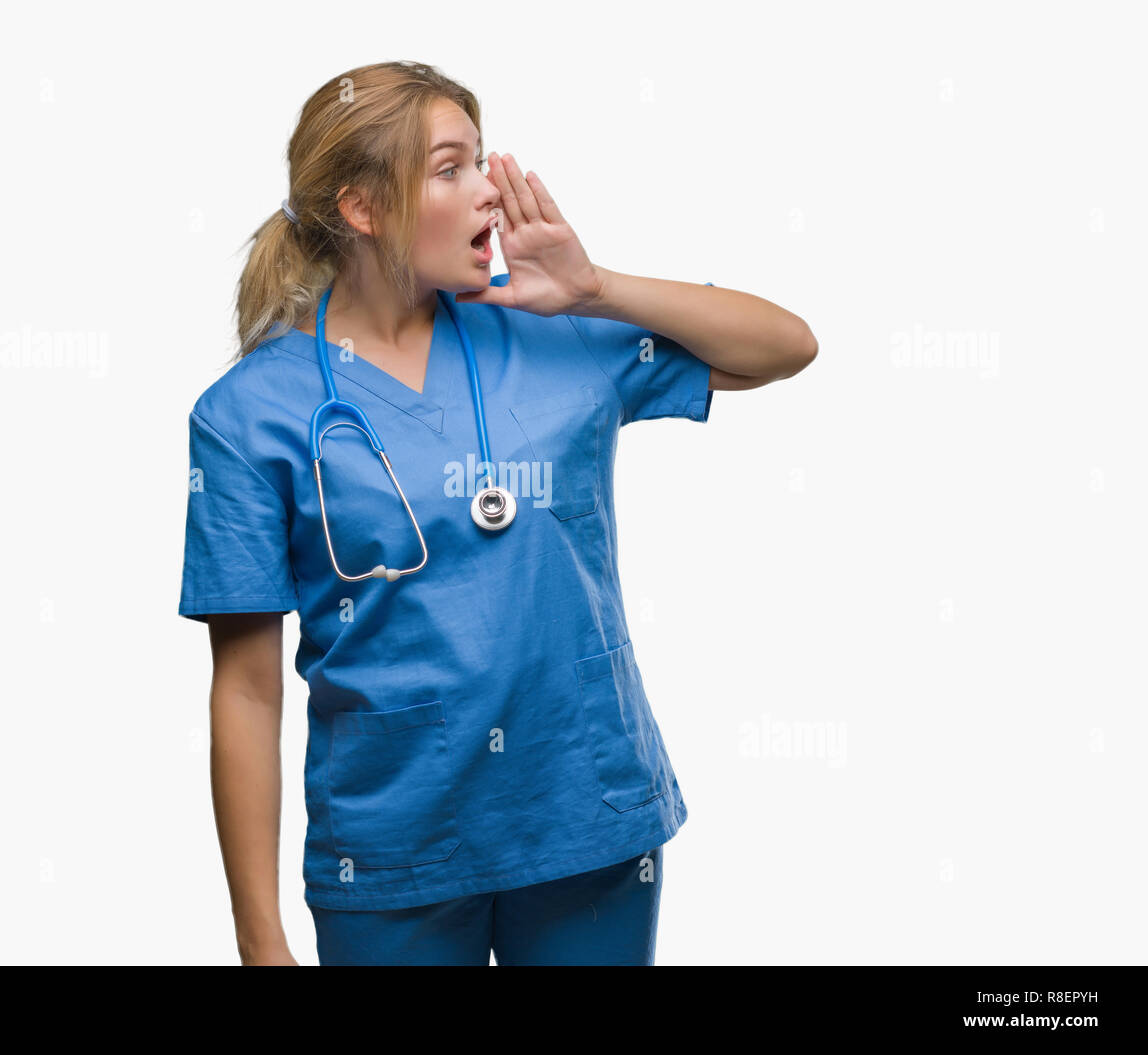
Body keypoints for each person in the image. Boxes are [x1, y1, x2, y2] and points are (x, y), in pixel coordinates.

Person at [178, 60, 817, 966]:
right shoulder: (248, 415)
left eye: (481, 161)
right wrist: (259, 939)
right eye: (452, 169)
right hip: (391, 852)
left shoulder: (555, 330)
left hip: (585, 820)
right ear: (361, 208)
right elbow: (245, 687)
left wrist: (596, 287)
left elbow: (786, 347)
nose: (490, 191)